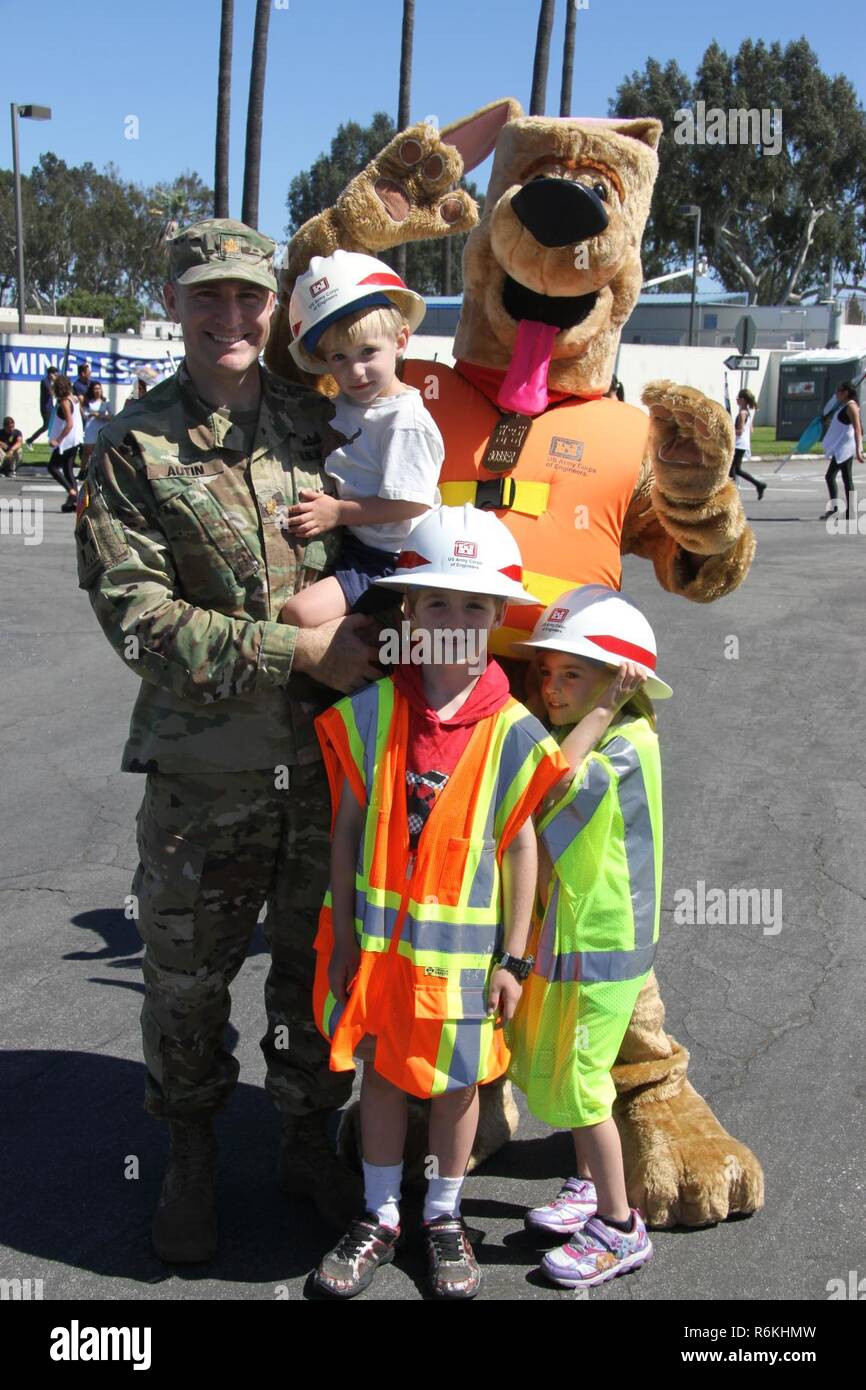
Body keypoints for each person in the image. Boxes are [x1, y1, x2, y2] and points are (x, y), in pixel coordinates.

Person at [75, 217, 383, 1266]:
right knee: (187, 980)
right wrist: (293, 654)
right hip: (205, 774)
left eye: (248, 296)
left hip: (328, 770)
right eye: (206, 295)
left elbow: (393, 538)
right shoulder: (133, 449)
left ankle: (306, 1138)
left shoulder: (323, 420)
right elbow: (139, 620)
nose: (230, 316)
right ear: (173, 302)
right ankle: (192, 1154)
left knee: (313, 969)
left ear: (274, 306)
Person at [309, 505, 569, 1300]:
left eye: (474, 606)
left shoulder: (516, 733)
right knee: (382, 1078)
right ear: (408, 613)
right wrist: (348, 936)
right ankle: (380, 1214)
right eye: (437, 603)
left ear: (497, 619)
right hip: (382, 954)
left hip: (464, 965)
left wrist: (515, 957)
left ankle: (445, 1216)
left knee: (459, 1087)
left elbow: (522, 848)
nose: (454, 621)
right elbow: (349, 831)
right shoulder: (372, 713)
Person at [506, 584, 670, 1289]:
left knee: (582, 1082)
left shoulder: (624, 743)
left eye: (573, 674)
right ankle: (586, 1185)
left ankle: (619, 1225)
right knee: (573, 1069)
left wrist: (599, 710)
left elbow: (549, 787)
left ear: (621, 682)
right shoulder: (613, 733)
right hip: (578, 941)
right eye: (547, 673)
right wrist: (593, 705)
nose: (552, 688)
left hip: (601, 948)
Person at [281, 250, 443, 622]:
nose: (355, 371)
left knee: (300, 614)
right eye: (339, 357)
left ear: (400, 341)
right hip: (354, 543)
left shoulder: (404, 419)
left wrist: (337, 513)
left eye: (368, 352)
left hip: (393, 560)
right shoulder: (344, 404)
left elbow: (410, 504)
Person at [819, 381, 863, 520]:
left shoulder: (851, 407)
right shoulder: (845, 406)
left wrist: (859, 449)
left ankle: (834, 510)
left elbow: (857, 429)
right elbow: (841, 424)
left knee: (830, 476)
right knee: (846, 478)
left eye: (839, 390)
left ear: (845, 393)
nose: (836, 393)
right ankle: (850, 512)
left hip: (844, 448)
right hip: (842, 447)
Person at [47, 375, 84, 511]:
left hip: (66, 440)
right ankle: (73, 503)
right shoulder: (74, 398)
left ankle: (72, 492)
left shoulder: (64, 402)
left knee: (52, 467)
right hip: (75, 438)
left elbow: (69, 423)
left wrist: (58, 440)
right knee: (68, 471)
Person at [729, 389, 765, 500]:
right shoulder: (748, 413)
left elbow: (739, 431)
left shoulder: (742, 413)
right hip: (743, 444)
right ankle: (759, 485)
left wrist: (728, 431)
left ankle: (731, 495)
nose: (736, 400)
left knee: (732, 470)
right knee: (736, 470)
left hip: (738, 444)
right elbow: (751, 429)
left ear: (743, 400)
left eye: (738, 398)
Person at [80, 381, 112, 474]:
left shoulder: (105, 401)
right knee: (87, 451)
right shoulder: (88, 401)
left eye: (99, 388)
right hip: (90, 427)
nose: (97, 391)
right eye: (95, 389)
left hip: (101, 428)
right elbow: (85, 414)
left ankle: (97, 471)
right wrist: (91, 413)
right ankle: (82, 471)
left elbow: (112, 415)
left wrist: (102, 416)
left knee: (98, 452)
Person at [25, 366, 59, 447]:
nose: (56, 376)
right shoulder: (45, 381)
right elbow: (52, 393)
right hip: (45, 408)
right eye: (55, 374)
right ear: (50, 374)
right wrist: (55, 383)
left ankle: (55, 441)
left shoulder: (50, 382)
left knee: (53, 425)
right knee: (46, 426)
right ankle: (30, 440)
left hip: (51, 407)